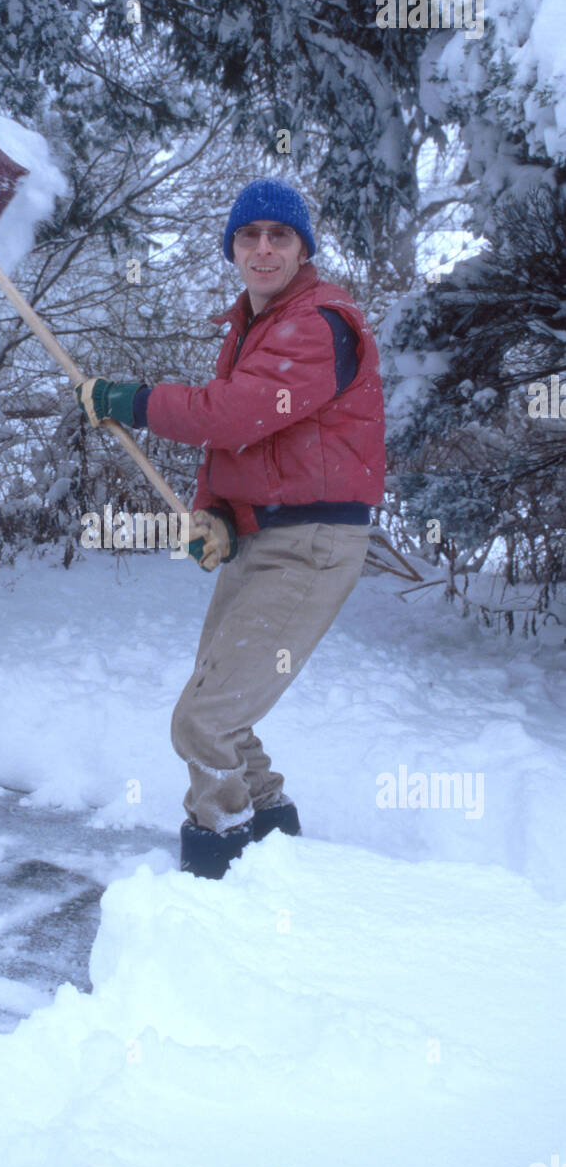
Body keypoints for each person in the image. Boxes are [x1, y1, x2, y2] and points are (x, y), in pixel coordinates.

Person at [76, 178, 386, 879]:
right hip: (266, 535)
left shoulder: (315, 323)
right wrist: (214, 508)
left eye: (280, 235)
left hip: (311, 543)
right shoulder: (254, 324)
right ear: (232, 248)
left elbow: (231, 412)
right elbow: (237, 443)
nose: (264, 247)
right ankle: (270, 825)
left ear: (303, 247)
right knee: (220, 703)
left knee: (201, 719)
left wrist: (135, 399)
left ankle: (223, 857)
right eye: (250, 235)